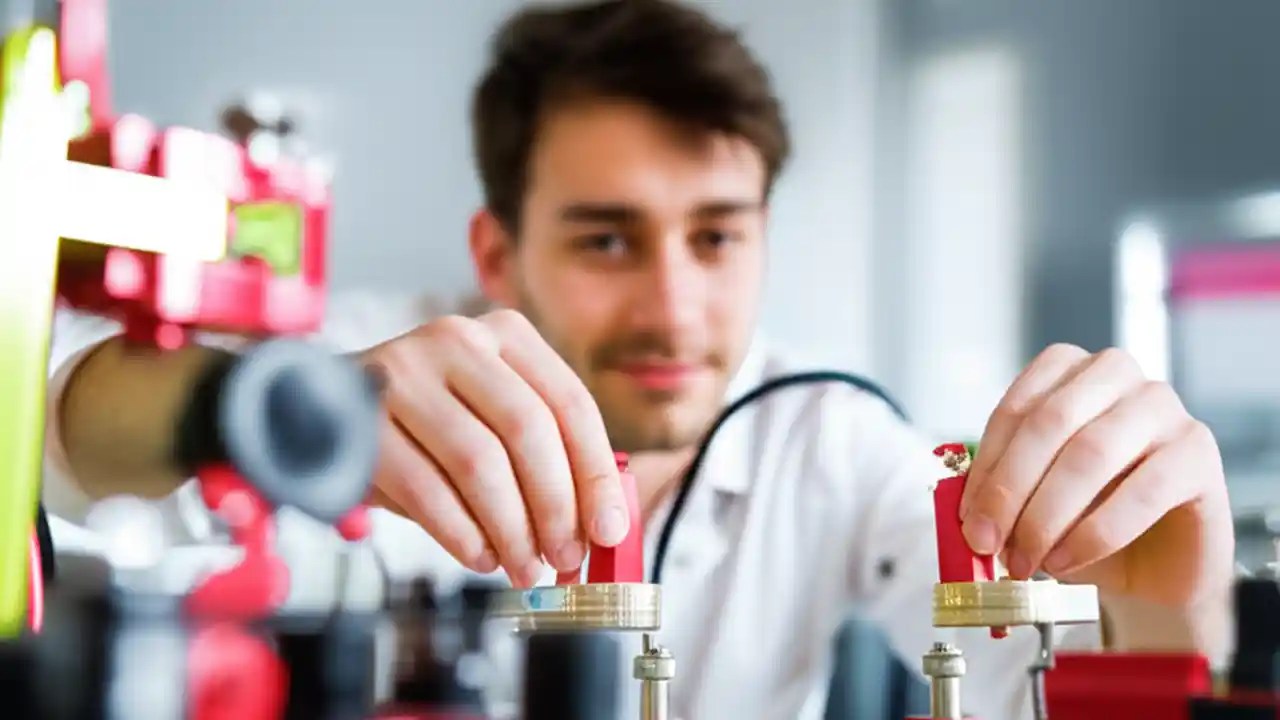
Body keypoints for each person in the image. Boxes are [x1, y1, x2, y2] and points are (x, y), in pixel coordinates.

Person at [42, 1, 1235, 718]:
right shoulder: (354, 375)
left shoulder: (830, 441)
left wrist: (1162, 614)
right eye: (606, 238)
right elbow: (48, 436)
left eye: (716, 236)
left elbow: (1013, 676)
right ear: (496, 255)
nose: (672, 305)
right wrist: (263, 414)